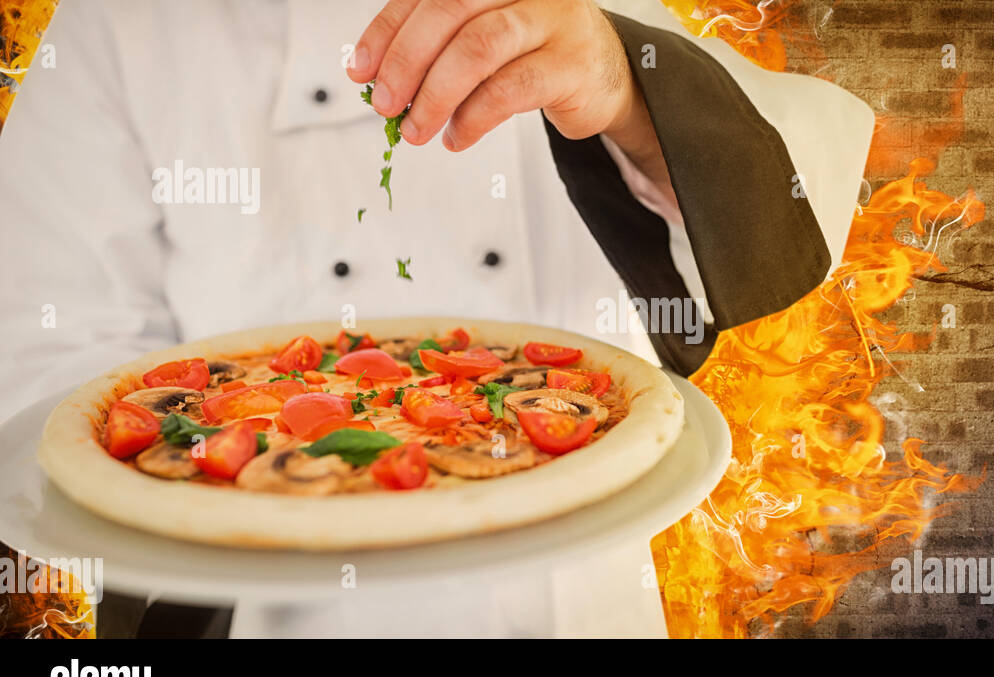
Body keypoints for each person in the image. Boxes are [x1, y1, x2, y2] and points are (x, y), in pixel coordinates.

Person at [0, 0, 872, 637]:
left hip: (573, 601)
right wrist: (227, 448)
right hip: (254, 609)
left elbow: (785, 197)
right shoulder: (117, 24)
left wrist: (628, 90)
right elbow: (44, 354)